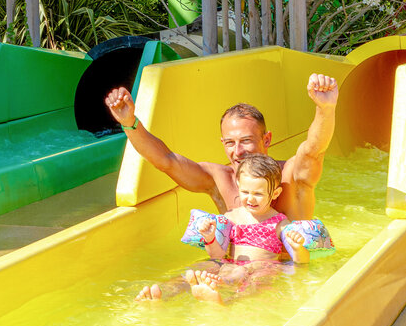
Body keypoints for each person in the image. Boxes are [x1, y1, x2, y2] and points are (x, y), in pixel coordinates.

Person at [104, 72, 339, 221]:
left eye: (246, 141)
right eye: (230, 143)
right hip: (233, 267)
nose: (237, 152)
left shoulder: (290, 177)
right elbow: (166, 161)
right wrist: (130, 124)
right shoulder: (220, 178)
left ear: (266, 140)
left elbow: (313, 150)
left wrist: (325, 109)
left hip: (283, 272)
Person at [137, 154, 313, 304]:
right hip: (231, 265)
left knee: (255, 280)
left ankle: (224, 300)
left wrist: (298, 248)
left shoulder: (280, 223)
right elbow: (217, 256)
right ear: (238, 185)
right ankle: (165, 293)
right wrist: (210, 237)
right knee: (203, 266)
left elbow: (301, 262)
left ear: (275, 193)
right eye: (245, 192)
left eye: (258, 194)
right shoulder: (231, 217)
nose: (250, 199)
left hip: (262, 269)